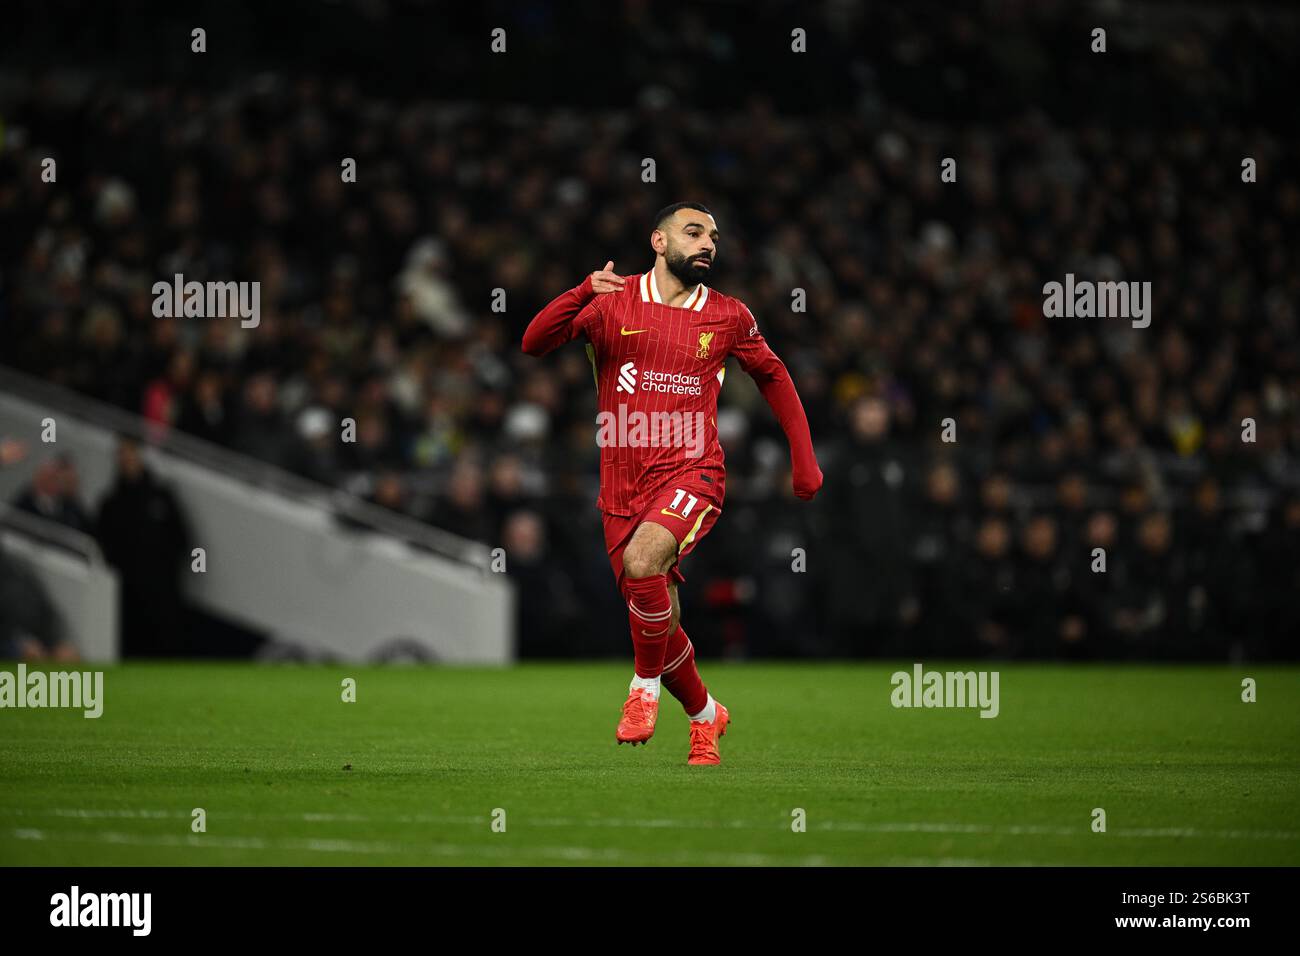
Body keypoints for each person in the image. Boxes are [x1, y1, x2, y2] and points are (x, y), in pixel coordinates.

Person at [521, 202, 822, 765]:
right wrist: (583, 290)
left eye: (713, 235)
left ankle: (642, 691)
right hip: (621, 487)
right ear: (658, 242)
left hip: (694, 471)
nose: (708, 242)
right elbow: (534, 342)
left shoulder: (728, 315)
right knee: (663, 617)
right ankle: (707, 715)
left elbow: (774, 374)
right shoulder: (612, 302)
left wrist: (803, 459)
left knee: (642, 566)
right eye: (694, 231)